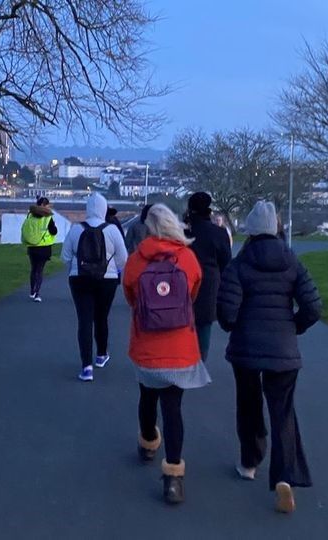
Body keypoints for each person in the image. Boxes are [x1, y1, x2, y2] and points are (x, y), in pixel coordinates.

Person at [217, 200, 322, 514]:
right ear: (277, 227)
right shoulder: (292, 262)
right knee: (283, 412)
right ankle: (284, 477)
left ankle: (250, 461)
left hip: (247, 349)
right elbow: (314, 307)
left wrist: (233, 325)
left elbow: (227, 313)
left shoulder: (240, 264)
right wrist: (294, 328)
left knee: (248, 406)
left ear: (249, 230)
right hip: (283, 351)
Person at [123, 204, 210, 505]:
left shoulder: (137, 259)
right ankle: (173, 476)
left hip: (147, 344)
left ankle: (148, 442)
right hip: (179, 347)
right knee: (173, 408)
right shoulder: (187, 257)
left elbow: (131, 296)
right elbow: (194, 292)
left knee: (147, 397)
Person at [61, 193, 128, 381]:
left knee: (84, 320)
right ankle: (101, 354)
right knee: (101, 317)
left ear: (87, 209)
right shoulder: (113, 230)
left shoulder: (76, 230)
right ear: (104, 209)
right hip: (107, 279)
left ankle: (86, 367)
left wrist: (78, 264)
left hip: (79, 278)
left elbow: (64, 256)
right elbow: (123, 258)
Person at [184, 193, 232, 362]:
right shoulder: (219, 233)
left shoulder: (185, 233)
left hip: (184, 281)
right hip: (209, 283)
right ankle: (199, 361)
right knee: (204, 325)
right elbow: (226, 261)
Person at [21, 197, 57, 302]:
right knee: (40, 270)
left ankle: (32, 291)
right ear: (45, 205)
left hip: (32, 247)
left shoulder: (30, 215)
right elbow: (53, 231)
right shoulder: (48, 218)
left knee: (33, 269)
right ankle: (37, 294)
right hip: (44, 248)